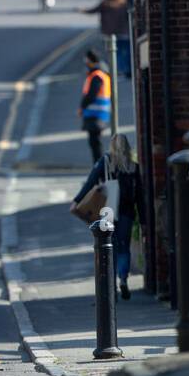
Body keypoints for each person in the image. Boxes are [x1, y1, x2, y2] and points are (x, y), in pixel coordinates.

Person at [70, 134, 142, 300]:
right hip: (127, 211)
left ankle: (111, 287)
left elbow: (90, 182)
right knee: (124, 247)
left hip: (108, 209)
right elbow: (139, 194)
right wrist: (144, 220)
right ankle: (123, 279)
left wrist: (76, 201)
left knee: (108, 247)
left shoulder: (106, 162)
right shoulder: (133, 166)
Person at [83, 0, 132, 77]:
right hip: (125, 32)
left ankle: (117, 70)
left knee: (115, 53)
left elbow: (93, 10)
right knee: (126, 53)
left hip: (110, 34)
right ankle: (127, 70)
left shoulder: (105, 4)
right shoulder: (124, 3)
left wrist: (82, 10)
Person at [78, 50, 113, 164]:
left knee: (95, 145)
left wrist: (82, 107)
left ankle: (99, 172)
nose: (85, 62)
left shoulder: (96, 76)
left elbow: (91, 95)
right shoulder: (101, 74)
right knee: (96, 144)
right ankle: (99, 172)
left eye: (86, 59)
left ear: (90, 60)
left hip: (95, 116)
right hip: (99, 115)